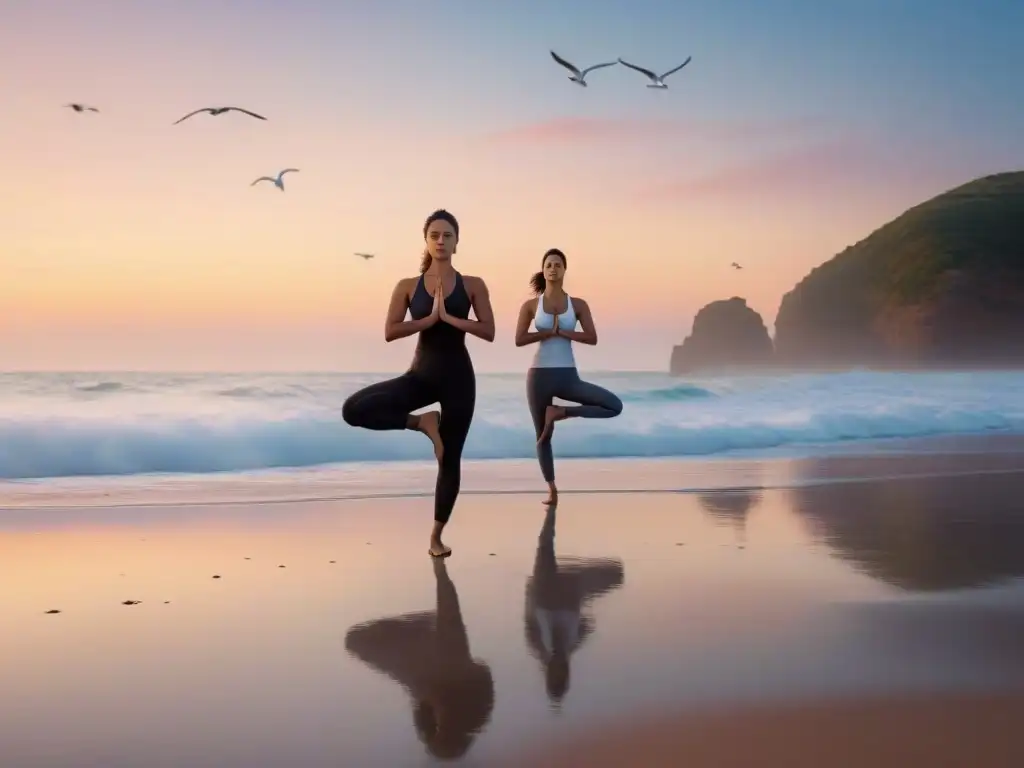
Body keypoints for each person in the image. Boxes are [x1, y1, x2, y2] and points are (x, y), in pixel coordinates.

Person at [342, 209, 495, 557]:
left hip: (459, 380)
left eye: (448, 236)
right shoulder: (408, 287)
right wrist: (428, 319)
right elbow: (390, 331)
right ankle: (421, 422)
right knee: (353, 409)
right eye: (435, 235)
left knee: (450, 459)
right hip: (420, 377)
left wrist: (451, 318)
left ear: (457, 242)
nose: (441, 241)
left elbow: (488, 331)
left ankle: (436, 538)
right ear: (426, 240)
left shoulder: (473, 285)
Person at [344, 558, 495, 760]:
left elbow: (481, 671)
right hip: (441, 666)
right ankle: (428, 608)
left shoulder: (426, 685)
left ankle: (426, 612)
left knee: (354, 640)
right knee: (356, 640)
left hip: (429, 666)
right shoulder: (466, 699)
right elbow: (481, 671)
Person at [515, 248, 622, 504]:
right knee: (542, 436)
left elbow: (592, 337)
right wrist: (546, 333)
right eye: (549, 265)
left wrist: (565, 333)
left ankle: (562, 412)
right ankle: (552, 490)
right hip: (538, 376)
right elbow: (519, 339)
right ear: (543, 270)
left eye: (558, 265)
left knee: (614, 405)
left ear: (564, 270)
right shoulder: (531, 306)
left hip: (568, 377)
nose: (553, 268)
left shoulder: (577, 305)